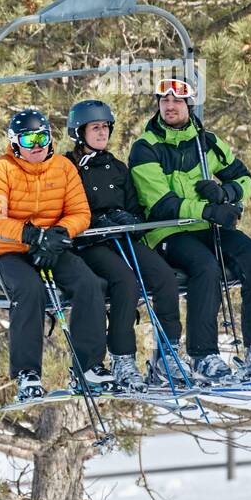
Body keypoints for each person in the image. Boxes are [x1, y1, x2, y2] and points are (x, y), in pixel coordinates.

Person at [128, 78, 251, 384]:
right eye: (164, 101)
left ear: (189, 105)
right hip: (167, 232)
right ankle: (202, 354)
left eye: (177, 102)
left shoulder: (207, 142)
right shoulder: (146, 147)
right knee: (205, 267)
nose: (169, 107)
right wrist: (208, 209)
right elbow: (161, 203)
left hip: (205, 227)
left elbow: (245, 177)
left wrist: (227, 193)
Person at [0, 108, 113, 402]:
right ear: (15, 143)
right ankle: (28, 374)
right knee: (29, 289)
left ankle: (88, 366)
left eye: (42, 137)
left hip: (50, 247)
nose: (37, 145)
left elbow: (80, 213)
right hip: (5, 251)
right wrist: (30, 234)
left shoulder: (63, 167)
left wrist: (58, 235)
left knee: (90, 284)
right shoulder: (0, 171)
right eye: (28, 140)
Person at [64, 99, 186, 391]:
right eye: (95, 128)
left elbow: (135, 206)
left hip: (123, 238)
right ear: (79, 132)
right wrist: (95, 222)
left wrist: (126, 217)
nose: (102, 133)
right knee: (125, 282)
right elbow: (64, 207)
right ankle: (123, 358)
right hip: (90, 244)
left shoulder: (116, 166)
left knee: (164, 277)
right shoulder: (68, 168)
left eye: (106, 127)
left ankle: (167, 354)